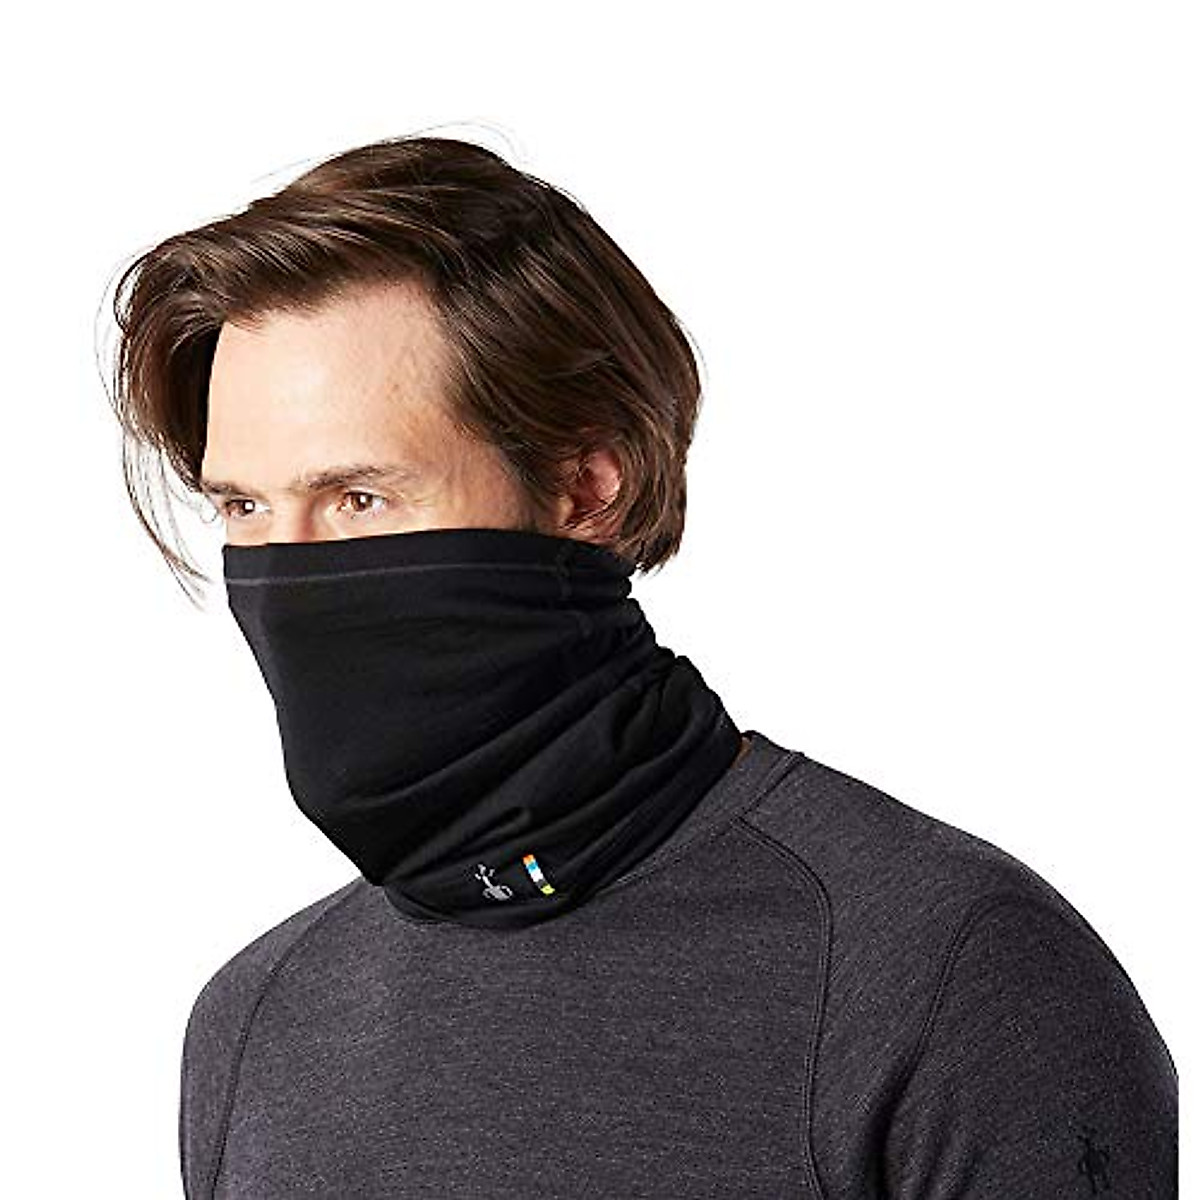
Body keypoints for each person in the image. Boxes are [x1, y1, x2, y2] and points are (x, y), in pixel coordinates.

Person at [108, 135, 1176, 1199]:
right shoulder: (259, 1020)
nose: (289, 572)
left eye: (360, 498)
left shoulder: (947, 973)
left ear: (585, 490)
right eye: (244, 507)